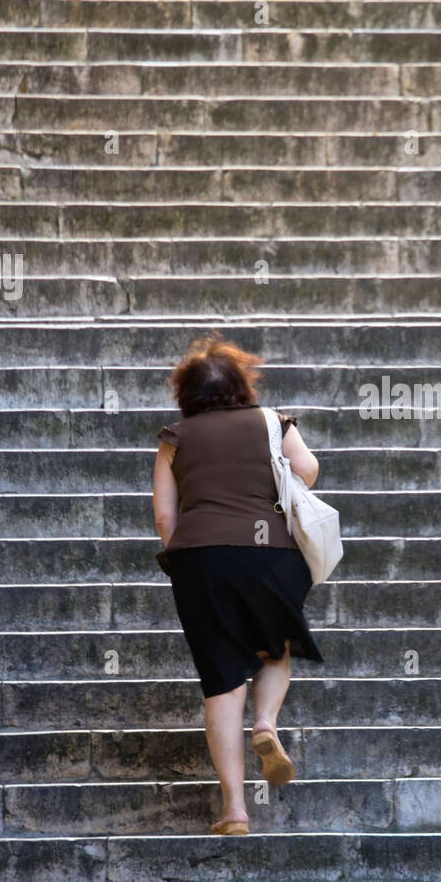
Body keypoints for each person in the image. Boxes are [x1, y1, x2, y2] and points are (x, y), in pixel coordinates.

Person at [152, 334, 324, 835]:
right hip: (272, 554)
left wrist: (192, 559)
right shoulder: (272, 422)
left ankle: (234, 811)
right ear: (242, 385)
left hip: (202, 558)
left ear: (187, 394)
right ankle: (266, 723)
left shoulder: (174, 438)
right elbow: (308, 472)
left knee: (222, 684)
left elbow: (166, 516)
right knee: (275, 649)